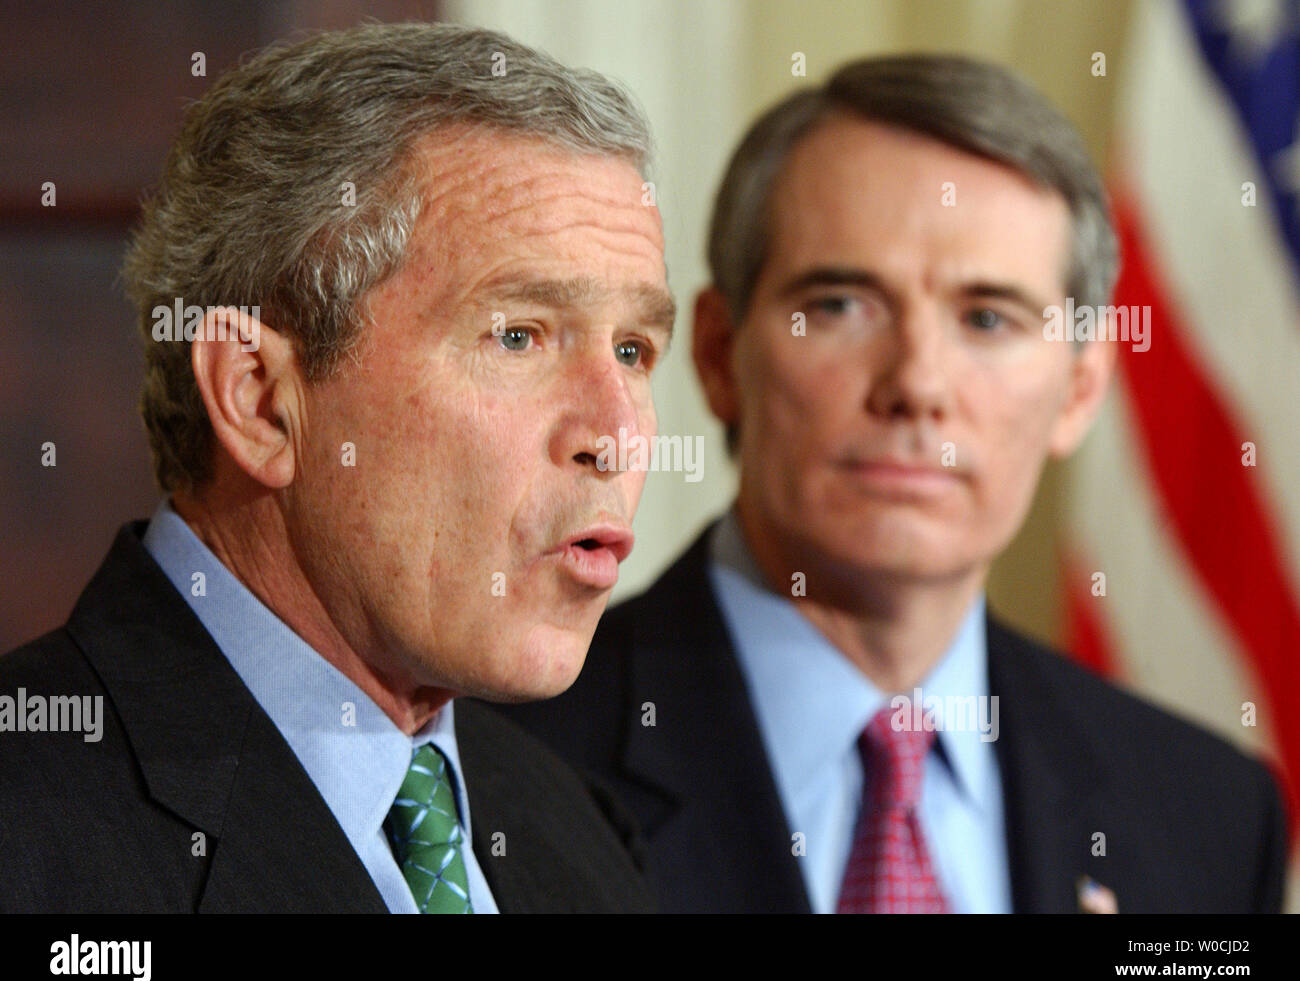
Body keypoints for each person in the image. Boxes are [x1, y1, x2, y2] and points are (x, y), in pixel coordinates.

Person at [502, 54, 1289, 913]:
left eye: (988, 318)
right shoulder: (503, 764)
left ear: (1079, 391)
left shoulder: (1204, 813)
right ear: (721, 356)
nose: (917, 382)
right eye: (842, 304)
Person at [0, 22, 675, 913]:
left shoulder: (574, 827)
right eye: (518, 335)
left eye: (632, 350)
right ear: (261, 400)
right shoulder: (27, 826)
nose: (617, 434)